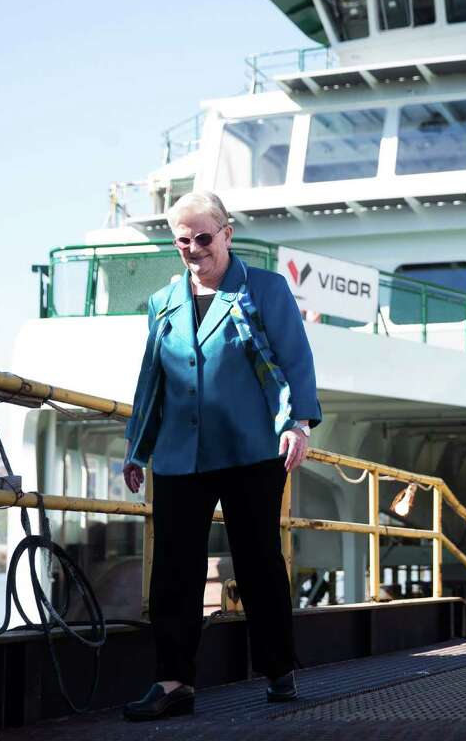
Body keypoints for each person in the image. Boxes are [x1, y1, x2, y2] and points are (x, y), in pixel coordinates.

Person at [120, 191, 322, 721]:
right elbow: (153, 377)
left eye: (203, 238)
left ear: (227, 233)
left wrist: (298, 424)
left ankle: (278, 671)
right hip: (180, 454)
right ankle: (173, 682)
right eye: (182, 240)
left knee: (258, 560)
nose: (193, 249)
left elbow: (295, 359)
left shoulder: (266, 289)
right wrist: (137, 447)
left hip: (254, 448)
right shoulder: (163, 301)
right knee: (172, 570)